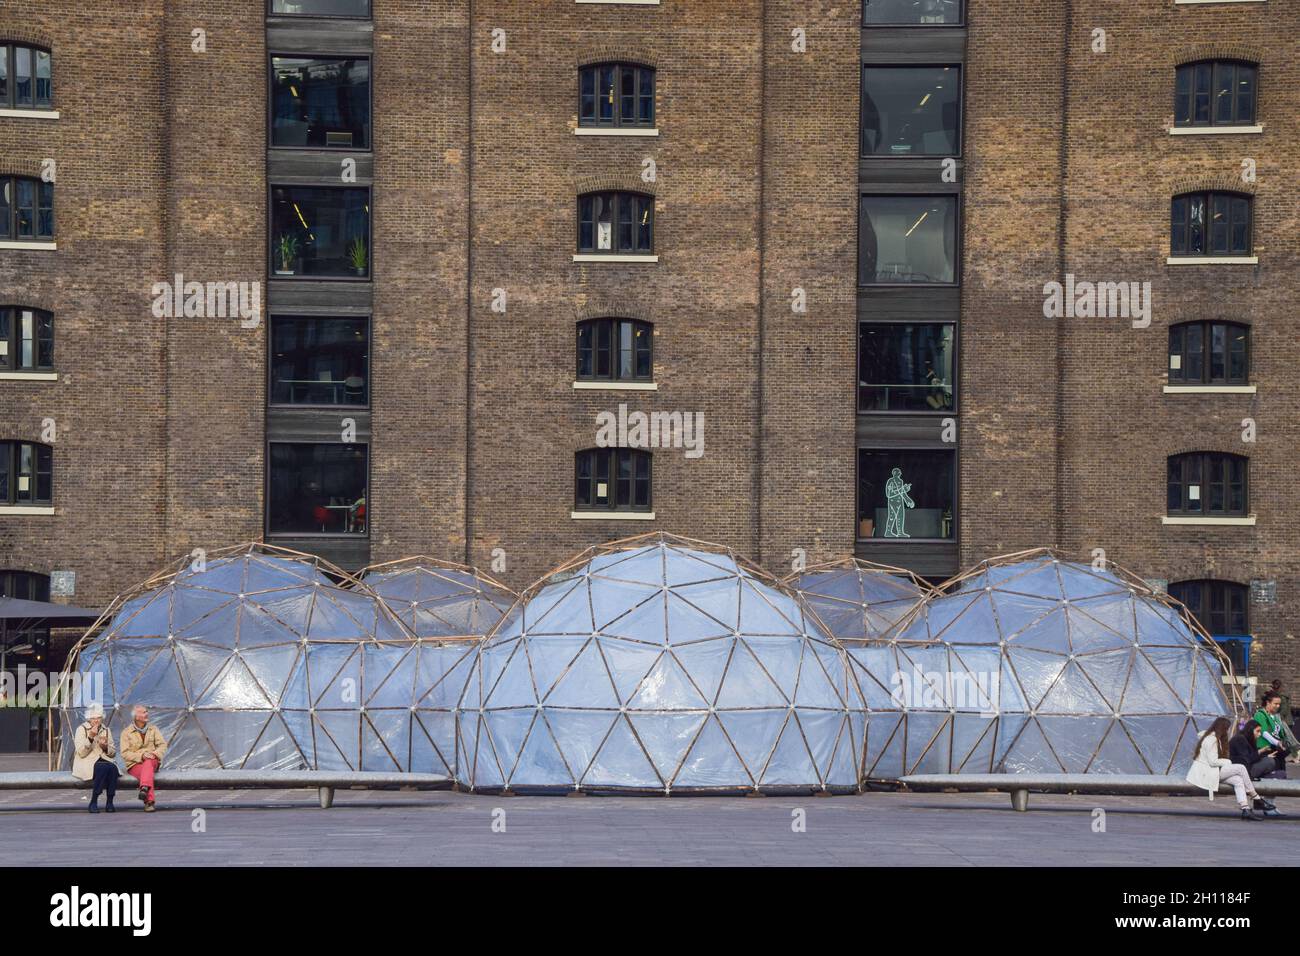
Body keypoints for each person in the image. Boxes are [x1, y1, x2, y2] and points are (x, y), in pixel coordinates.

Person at [1186, 716, 1267, 820]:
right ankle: (1256, 797)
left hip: (1213, 771)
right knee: (1241, 768)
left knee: (1238, 780)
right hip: (1208, 772)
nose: (1228, 731)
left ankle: (1245, 809)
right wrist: (1228, 762)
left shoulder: (1215, 739)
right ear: (1222, 729)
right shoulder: (1211, 740)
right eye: (1227, 729)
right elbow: (1213, 762)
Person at [1228, 720, 1285, 817]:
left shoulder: (1249, 739)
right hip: (1243, 770)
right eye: (1257, 731)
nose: (1259, 734)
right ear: (1250, 730)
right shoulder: (1239, 739)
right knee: (1270, 762)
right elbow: (1246, 759)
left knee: (1279, 771)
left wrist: (1262, 754)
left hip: (1248, 767)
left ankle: (1264, 802)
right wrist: (1261, 752)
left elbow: (1252, 757)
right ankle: (1260, 802)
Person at [119, 704, 167, 812]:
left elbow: (162, 745)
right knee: (147, 770)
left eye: (146, 711)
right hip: (135, 765)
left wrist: (154, 754)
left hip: (152, 760)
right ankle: (148, 799)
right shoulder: (126, 733)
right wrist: (141, 756)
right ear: (136, 717)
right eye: (143, 712)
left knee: (148, 762)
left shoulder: (153, 729)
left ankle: (145, 792)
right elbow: (125, 753)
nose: (147, 714)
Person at [71, 704, 119, 813]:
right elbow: (81, 752)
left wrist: (105, 747)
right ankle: (94, 800)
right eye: (93, 718)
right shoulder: (81, 729)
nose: (96, 721)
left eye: (98, 718)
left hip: (104, 760)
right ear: (88, 719)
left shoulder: (106, 730)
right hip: (87, 762)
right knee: (102, 768)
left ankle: (110, 801)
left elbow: (113, 753)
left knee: (112, 769)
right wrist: (91, 737)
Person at [1253, 691, 1289, 778]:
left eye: (1279, 704)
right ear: (1268, 703)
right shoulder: (1260, 714)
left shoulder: (1276, 717)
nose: (1278, 706)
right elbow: (1264, 732)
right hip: (1265, 749)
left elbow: (1281, 734)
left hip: (1277, 751)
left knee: (1281, 773)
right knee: (1272, 773)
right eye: (1275, 703)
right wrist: (1277, 743)